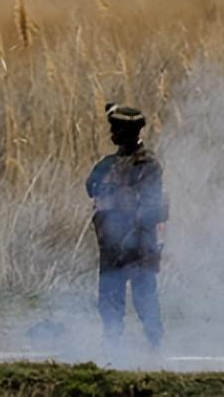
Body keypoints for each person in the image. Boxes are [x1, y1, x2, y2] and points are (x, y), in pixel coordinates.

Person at [85, 103, 169, 351]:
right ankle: (112, 346)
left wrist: (131, 228)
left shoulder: (148, 164)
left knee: (145, 298)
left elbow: (152, 206)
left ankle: (156, 348)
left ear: (132, 132)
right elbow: (91, 186)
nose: (113, 134)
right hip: (110, 241)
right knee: (110, 297)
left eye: (118, 129)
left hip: (139, 242)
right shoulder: (109, 163)